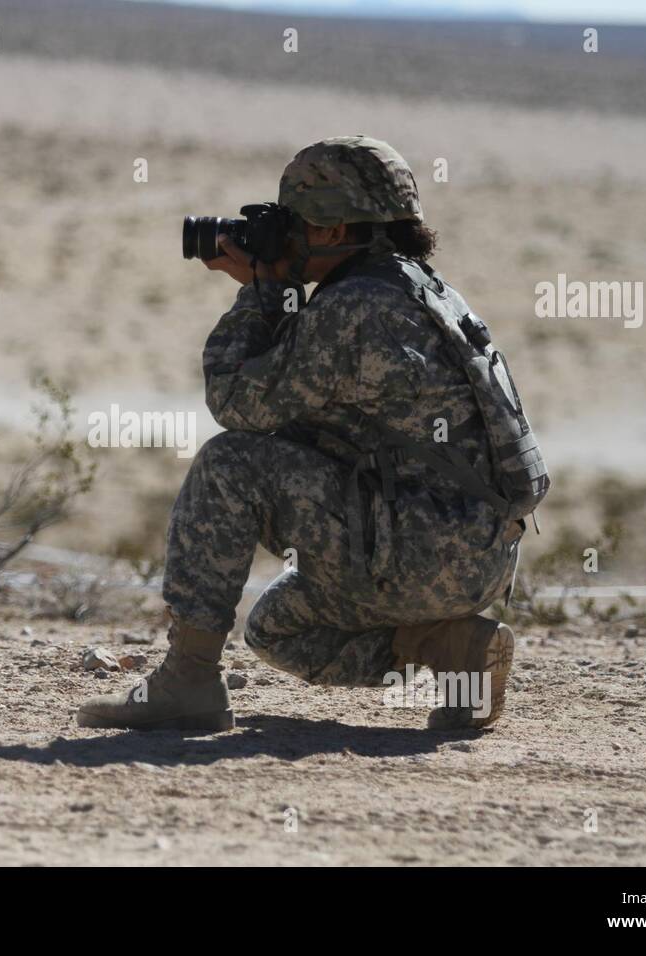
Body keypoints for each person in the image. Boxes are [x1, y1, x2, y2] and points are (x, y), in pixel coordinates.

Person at [77, 135, 546, 733]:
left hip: (416, 552)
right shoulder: (423, 291)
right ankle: (451, 650)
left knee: (230, 465)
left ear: (331, 231)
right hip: (475, 557)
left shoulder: (353, 308)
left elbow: (235, 403)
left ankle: (187, 682)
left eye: (291, 224)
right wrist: (281, 289)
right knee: (278, 628)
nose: (283, 236)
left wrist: (260, 291)